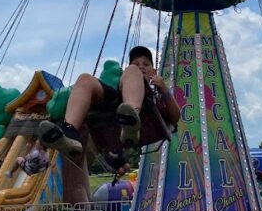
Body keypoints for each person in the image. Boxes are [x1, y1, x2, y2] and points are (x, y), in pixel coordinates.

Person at [38, 46, 181, 161]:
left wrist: (164, 88)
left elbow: (175, 118)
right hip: (116, 104)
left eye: (146, 64)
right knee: (85, 79)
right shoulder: (125, 79)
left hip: (142, 108)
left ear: (153, 71)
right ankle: (69, 131)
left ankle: (131, 119)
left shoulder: (157, 93)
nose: (141, 66)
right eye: (136, 63)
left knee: (133, 72)